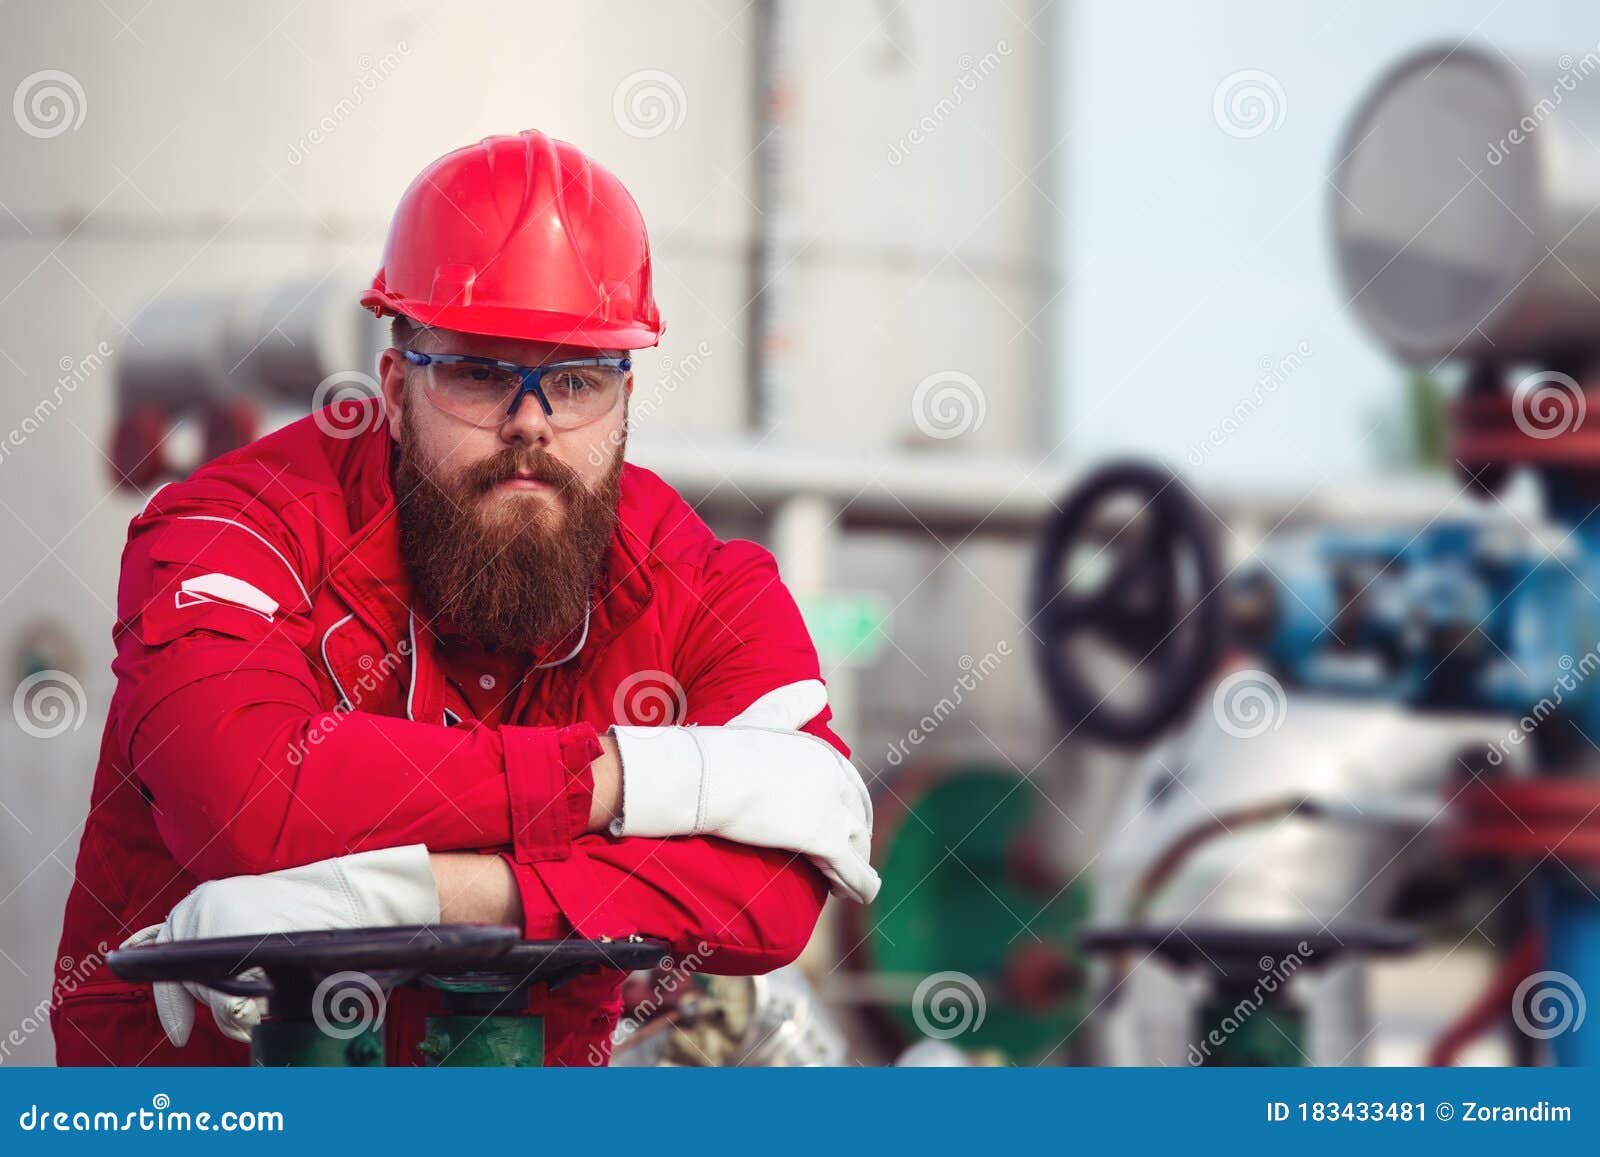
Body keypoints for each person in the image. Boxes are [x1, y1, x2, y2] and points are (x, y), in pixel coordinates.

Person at [51, 129, 879, 1067]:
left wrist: (418, 897)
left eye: (576, 380)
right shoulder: (236, 526)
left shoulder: (698, 584)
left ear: (624, 403)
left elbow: (777, 893)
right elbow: (246, 799)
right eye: (480, 374)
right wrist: (622, 778)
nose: (530, 422)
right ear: (395, 390)